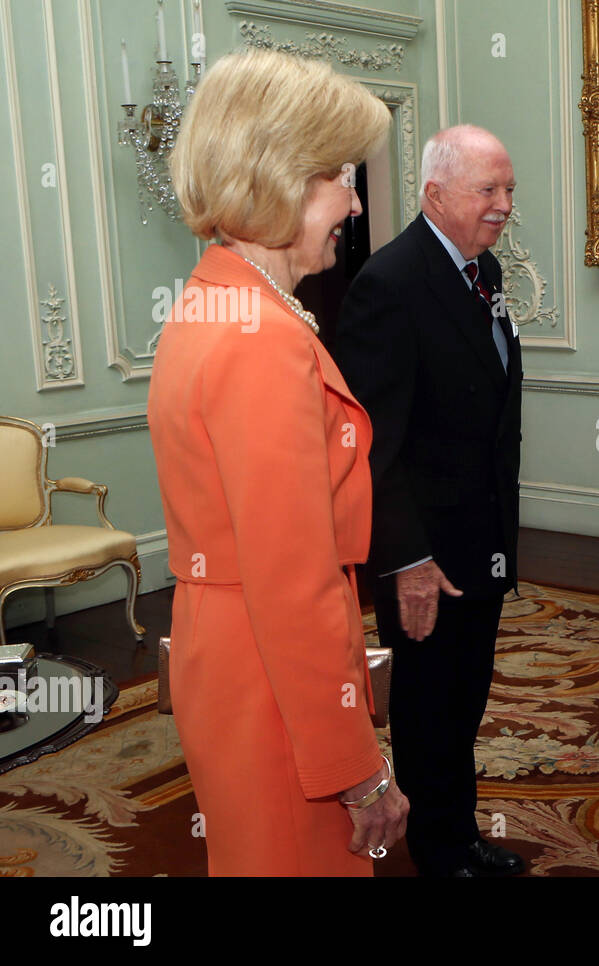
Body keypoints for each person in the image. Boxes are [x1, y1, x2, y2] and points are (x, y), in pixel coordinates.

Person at [149, 49, 409, 875]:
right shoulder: (259, 337)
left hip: (228, 656)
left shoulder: (214, 300)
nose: (356, 202)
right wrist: (358, 774)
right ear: (281, 176)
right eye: (340, 174)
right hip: (272, 680)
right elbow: (292, 585)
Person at [332, 125, 525, 878]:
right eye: (489, 190)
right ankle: (437, 853)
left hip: (481, 536)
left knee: (466, 698)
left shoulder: (482, 269)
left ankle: (459, 831)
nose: (505, 205)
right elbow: (372, 446)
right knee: (428, 707)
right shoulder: (390, 283)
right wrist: (407, 558)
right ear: (436, 194)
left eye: (509, 190)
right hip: (427, 552)